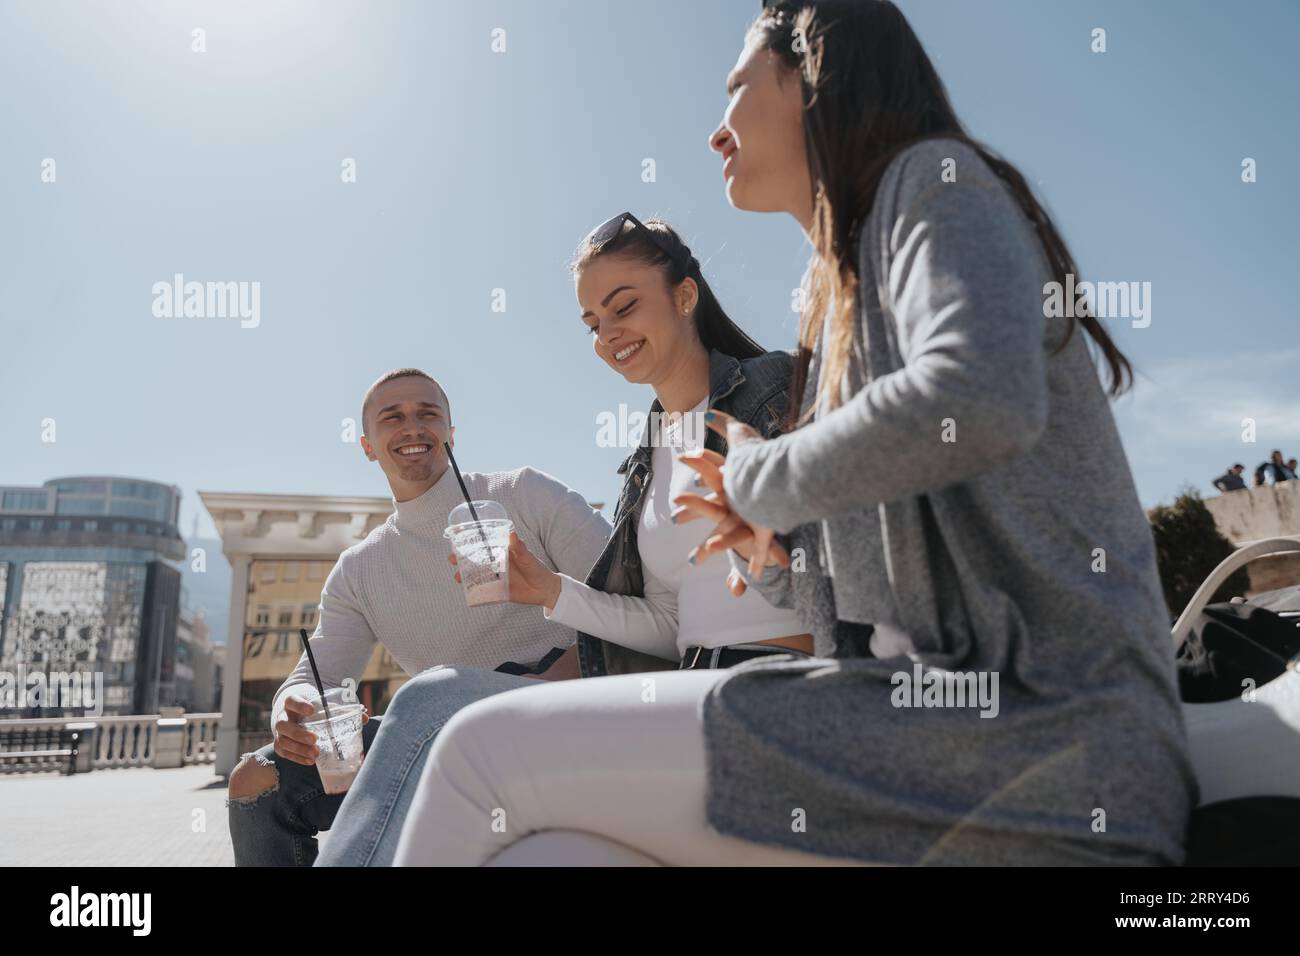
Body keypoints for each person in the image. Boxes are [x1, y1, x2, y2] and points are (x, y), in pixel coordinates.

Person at [392, 0, 1196, 867]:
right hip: (919, 724)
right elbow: (847, 606)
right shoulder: (831, 301)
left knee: (477, 752)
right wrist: (770, 554)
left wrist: (755, 481)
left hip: (1045, 731)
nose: (713, 133)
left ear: (812, 77)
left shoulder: (932, 181)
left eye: (737, 86)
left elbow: (981, 396)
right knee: (545, 855)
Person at [227, 367, 610, 866]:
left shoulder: (526, 495)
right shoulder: (360, 569)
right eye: (393, 417)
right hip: (441, 740)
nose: (412, 427)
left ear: (450, 434)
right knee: (256, 779)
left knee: (428, 696)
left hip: (561, 718)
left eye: (428, 414)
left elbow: (633, 598)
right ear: (367, 445)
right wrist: (291, 710)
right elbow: (314, 674)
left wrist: (563, 669)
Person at [465, 213, 811, 681]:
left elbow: (856, 555)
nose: (607, 334)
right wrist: (552, 592)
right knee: (450, 701)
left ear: (685, 296)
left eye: (623, 308)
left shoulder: (779, 385)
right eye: (593, 324)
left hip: (787, 678)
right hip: (689, 682)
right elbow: (671, 624)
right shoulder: (645, 463)